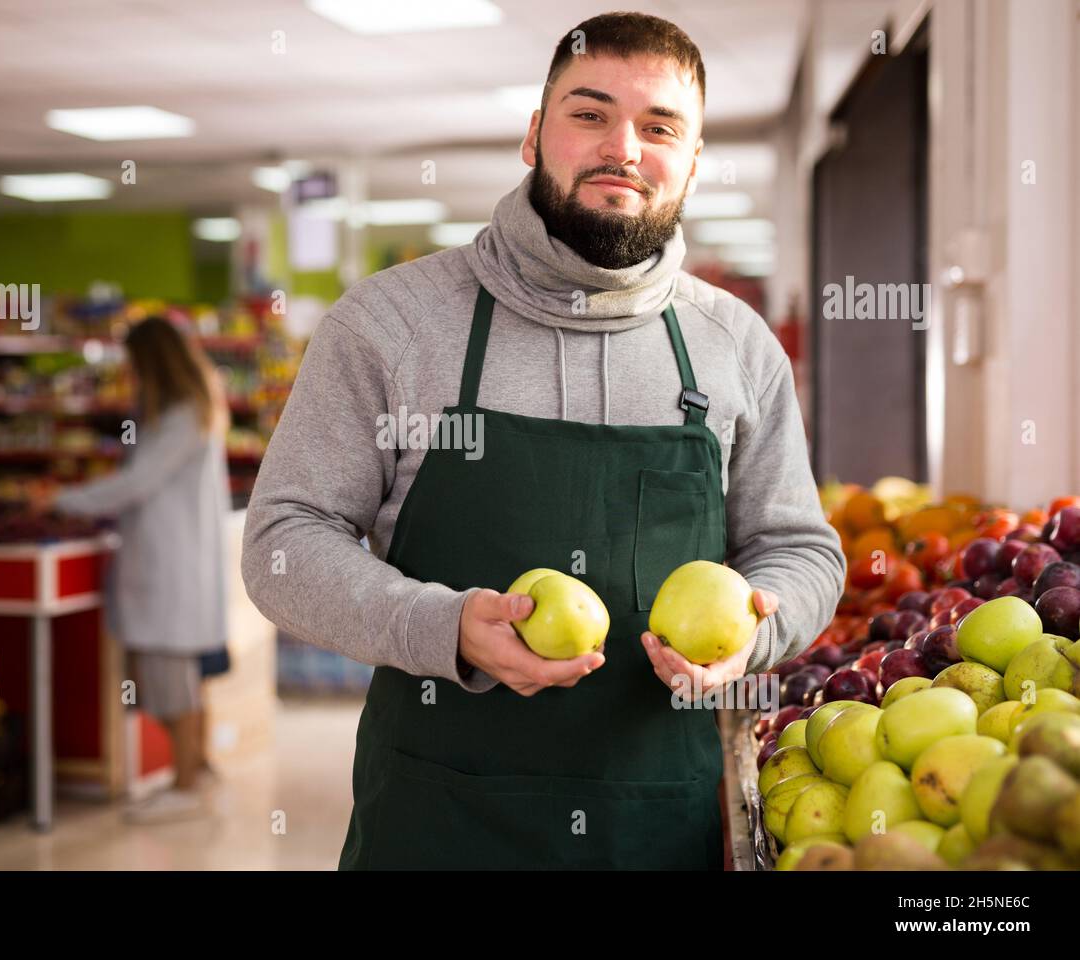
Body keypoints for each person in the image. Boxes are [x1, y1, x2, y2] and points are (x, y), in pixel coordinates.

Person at [242, 12, 846, 868]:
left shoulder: (735, 345)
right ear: (534, 135)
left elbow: (800, 551)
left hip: (659, 825)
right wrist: (441, 625)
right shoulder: (391, 323)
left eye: (660, 126)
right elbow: (281, 542)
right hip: (436, 816)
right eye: (589, 113)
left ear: (695, 160)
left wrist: (752, 637)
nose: (623, 148)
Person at [53, 315, 232, 823]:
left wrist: (66, 500)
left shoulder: (180, 419)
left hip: (169, 572)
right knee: (182, 681)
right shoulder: (187, 412)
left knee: (171, 684)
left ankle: (185, 785)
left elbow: (135, 483)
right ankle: (194, 773)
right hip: (173, 566)